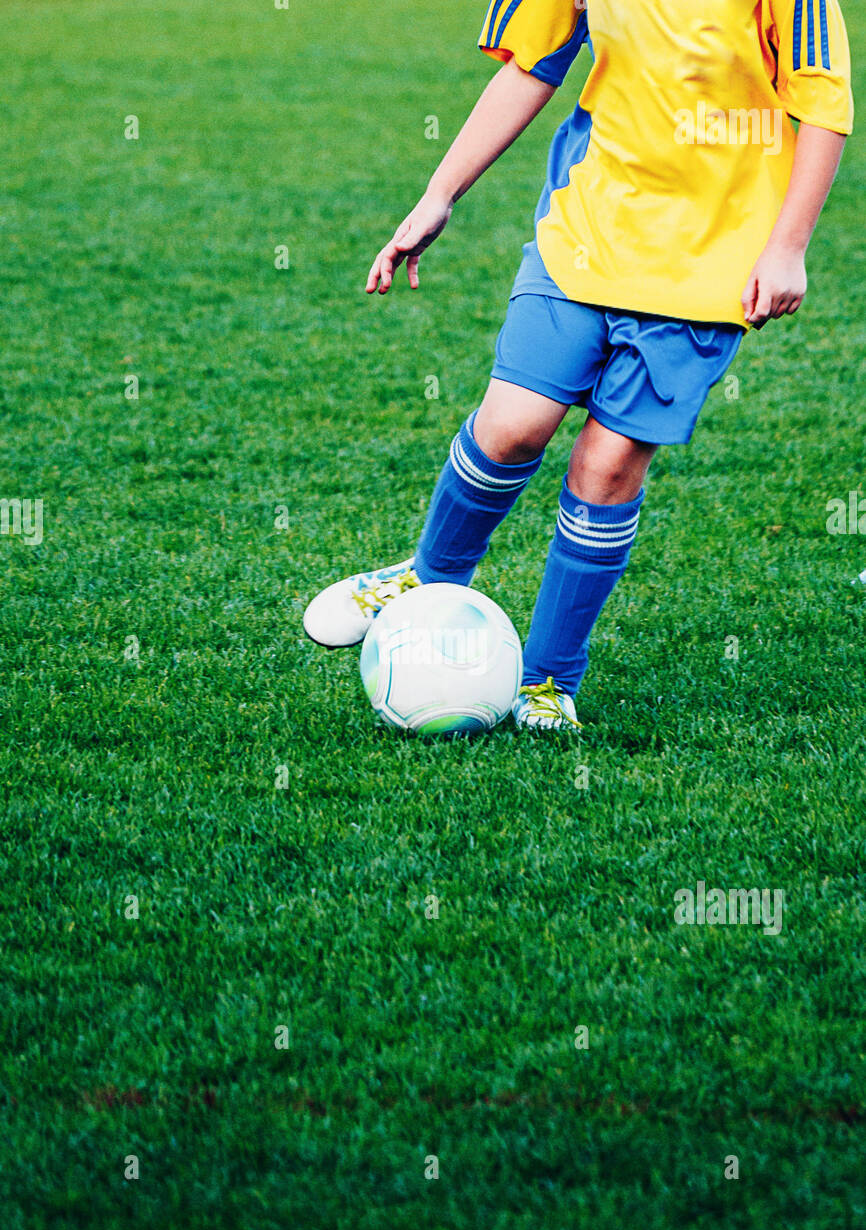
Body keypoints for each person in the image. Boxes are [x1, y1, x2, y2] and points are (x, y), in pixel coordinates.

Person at [304, 0, 853, 729]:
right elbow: (533, 64)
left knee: (606, 468)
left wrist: (788, 245)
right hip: (586, 231)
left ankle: (548, 680)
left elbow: (822, 101)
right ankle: (427, 578)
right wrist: (441, 194)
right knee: (512, 427)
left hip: (713, 262)